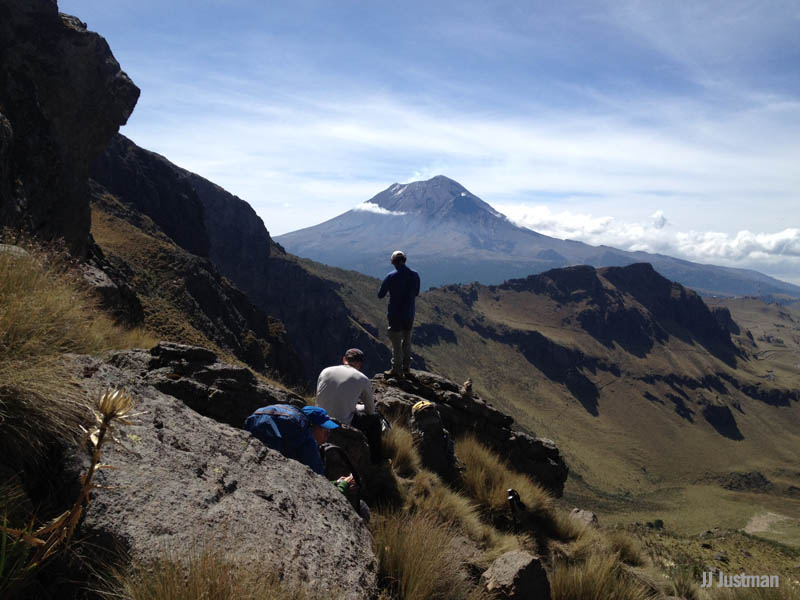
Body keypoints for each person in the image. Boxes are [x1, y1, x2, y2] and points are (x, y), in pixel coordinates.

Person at [244, 404, 338, 476]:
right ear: (312, 426)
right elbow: (318, 475)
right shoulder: (305, 433)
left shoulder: (290, 413)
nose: (327, 437)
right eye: (325, 431)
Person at [377, 250, 420, 378]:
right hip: (409, 314)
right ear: (404, 260)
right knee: (407, 340)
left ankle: (396, 369)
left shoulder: (391, 276)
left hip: (395, 314)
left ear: (393, 262)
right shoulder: (415, 275)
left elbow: (380, 294)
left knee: (396, 342)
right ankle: (406, 368)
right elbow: (416, 293)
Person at [316, 348, 375, 425]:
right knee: (375, 419)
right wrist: (359, 407)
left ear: (344, 359)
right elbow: (370, 410)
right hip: (341, 424)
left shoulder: (325, 371)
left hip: (319, 419)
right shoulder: (363, 379)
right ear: (360, 364)